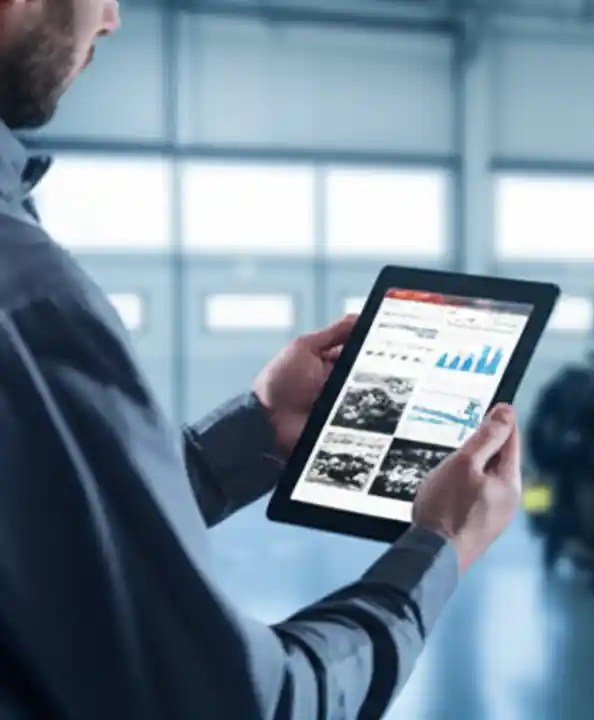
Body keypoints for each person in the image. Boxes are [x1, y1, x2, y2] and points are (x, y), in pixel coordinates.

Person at [0, 1, 523, 717]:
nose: (113, 18)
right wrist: (439, 546)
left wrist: (254, 431)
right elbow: (235, 703)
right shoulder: (25, 295)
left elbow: (47, 540)